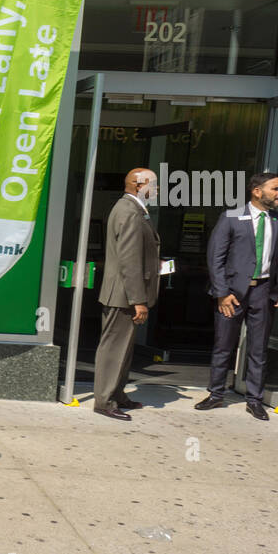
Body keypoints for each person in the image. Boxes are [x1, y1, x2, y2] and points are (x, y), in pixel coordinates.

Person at [196, 170, 278, 421]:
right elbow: (215, 258)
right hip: (232, 293)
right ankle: (216, 394)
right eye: (275, 188)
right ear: (257, 191)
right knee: (223, 344)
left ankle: (254, 399)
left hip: (263, 291)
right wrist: (221, 294)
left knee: (258, 347)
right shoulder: (230, 217)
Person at [93, 167, 161, 422]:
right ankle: (105, 401)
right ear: (137, 184)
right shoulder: (129, 212)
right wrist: (138, 300)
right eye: (153, 184)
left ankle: (117, 394)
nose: (157, 189)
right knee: (114, 349)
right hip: (123, 294)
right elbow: (129, 260)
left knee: (124, 349)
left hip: (125, 294)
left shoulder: (135, 210)